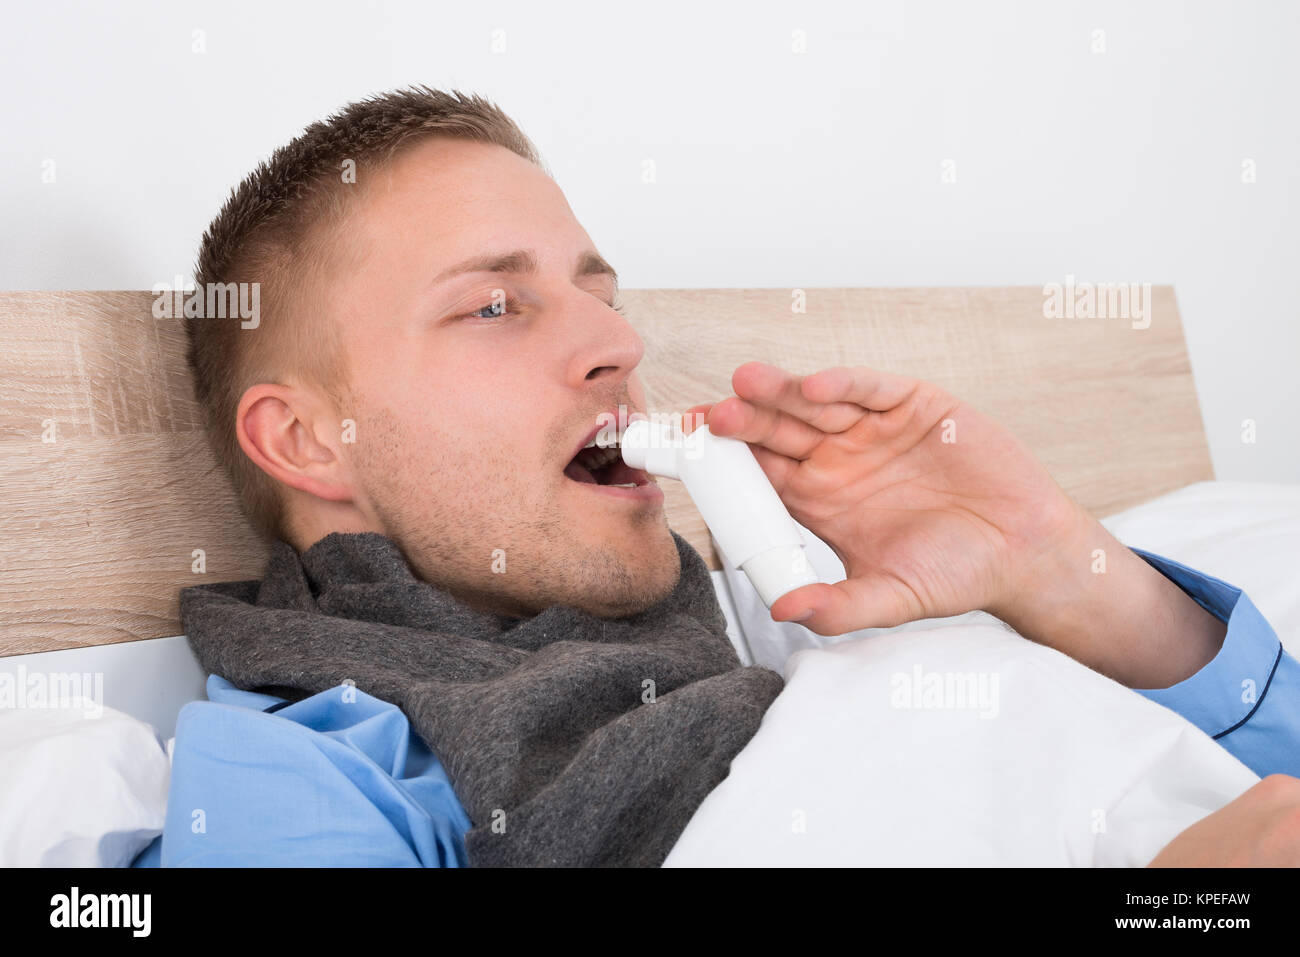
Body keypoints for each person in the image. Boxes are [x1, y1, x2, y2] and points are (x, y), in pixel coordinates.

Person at [135, 87, 1298, 867]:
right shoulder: (307, 775)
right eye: (493, 306)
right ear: (301, 440)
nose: (617, 346)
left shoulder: (786, 618)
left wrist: (1057, 564)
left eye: (601, 293)